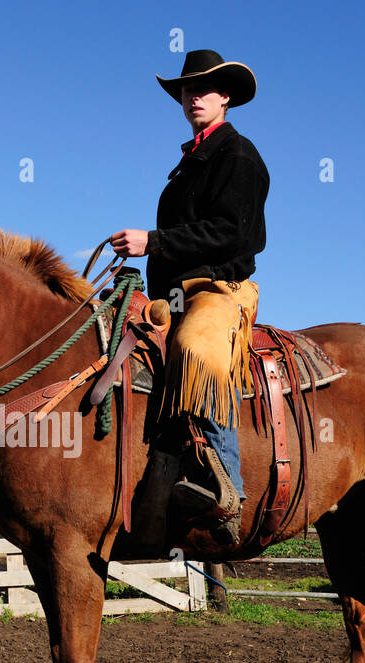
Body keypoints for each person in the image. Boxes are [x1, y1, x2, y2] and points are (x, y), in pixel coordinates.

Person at [110, 48, 269, 548]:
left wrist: (152, 241)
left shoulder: (238, 155)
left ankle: (227, 490)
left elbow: (230, 232)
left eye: (204, 88)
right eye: (187, 89)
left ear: (226, 97)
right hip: (174, 293)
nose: (193, 96)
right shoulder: (188, 163)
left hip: (221, 289)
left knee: (196, 349)